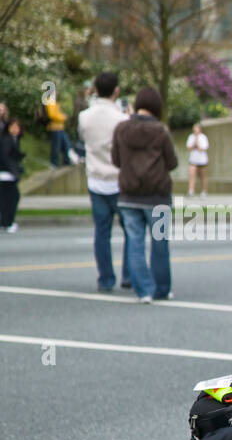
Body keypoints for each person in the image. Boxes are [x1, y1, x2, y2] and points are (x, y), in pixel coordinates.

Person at [110, 86, 176, 303]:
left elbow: (116, 160)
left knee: (135, 243)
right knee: (160, 244)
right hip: (157, 196)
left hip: (129, 195)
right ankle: (162, 288)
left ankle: (143, 290)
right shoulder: (160, 130)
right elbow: (172, 162)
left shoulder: (121, 129)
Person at [79, 71, 131, 291]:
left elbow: (83, 139)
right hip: (119, 180)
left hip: (96, 179)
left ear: (95, 90)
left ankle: (106, 279)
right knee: (131, 231)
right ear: (116, 91)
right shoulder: (122, 119)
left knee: (102, 232)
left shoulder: (85, 116)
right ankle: (128, 275)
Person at [0, 118, 23, 232]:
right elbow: (5, 157)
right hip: (6, 174)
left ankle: (6, 222)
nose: (15, 129)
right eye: (13, 127)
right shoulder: (7, 140)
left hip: (9, 174)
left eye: (17, 127)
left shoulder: (14, 139)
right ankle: (7, 222)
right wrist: (14, 170)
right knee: (11, 198)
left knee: (9, 199)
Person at [44, 89, 71, 167]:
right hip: (55, 127)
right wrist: (62, 117)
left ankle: (66, 162)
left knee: (66, 144)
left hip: (60, 127)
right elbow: (52, 115)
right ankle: (54, 163)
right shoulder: (50, 101)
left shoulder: (55, 102)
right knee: (56, 146)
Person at [186, 123, 209, 196]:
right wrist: (194, 141)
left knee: (203, 176)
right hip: (193, 159)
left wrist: (197, 142)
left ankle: (204, 191)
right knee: (191, 175)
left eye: (197, 128)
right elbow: (188, 147)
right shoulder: (191, 137)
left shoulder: (203, 137)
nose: (195, 130)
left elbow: (203, 148)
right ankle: (191, 190)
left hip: (202, 160)